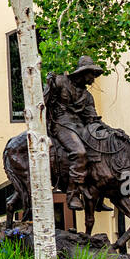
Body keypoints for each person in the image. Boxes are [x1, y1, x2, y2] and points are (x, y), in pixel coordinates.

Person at [43, 56, 105, 211]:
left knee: (101, 151)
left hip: (81, 127)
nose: (93, 79)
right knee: (79, 153)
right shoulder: (60, 82)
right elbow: (43, 102)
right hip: (61, 124)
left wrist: (107, 131)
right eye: (92, 74)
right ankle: (72, 195)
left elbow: (92, 118)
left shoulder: (88, 96)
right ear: (83, 73)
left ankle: (98, 194)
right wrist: (49, 86)